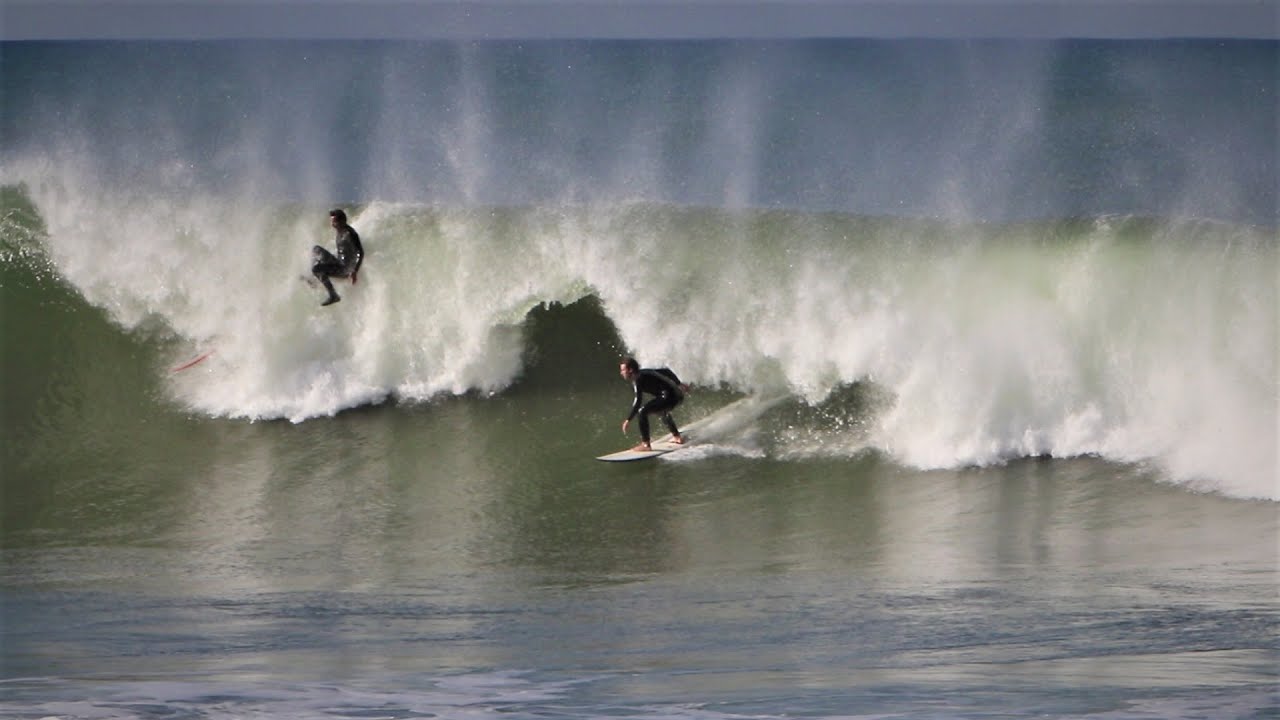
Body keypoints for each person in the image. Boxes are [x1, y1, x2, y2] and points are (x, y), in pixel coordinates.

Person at [619, 357, 690, 451]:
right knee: (661, 411)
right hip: (670, 396)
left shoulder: (643, 375)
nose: (621, 373)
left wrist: (628, 419)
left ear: (630, 370)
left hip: (672, 395)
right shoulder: (639, 378)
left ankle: (646, 445)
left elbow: (666, 371)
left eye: (623, 370)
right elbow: (666, 371)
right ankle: (677, 437)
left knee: (642, 412)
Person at [311, 208, 364, 306]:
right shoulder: (340, 231)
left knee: (316, 268)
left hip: (344, 270)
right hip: (339, 263)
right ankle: (315, 279)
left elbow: (360, 252)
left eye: (334, 222)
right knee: (316, 249)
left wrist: (354, 271)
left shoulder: (350, 233)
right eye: (332, 222)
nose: (332, 224)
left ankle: (333, 295)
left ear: (342, 221)